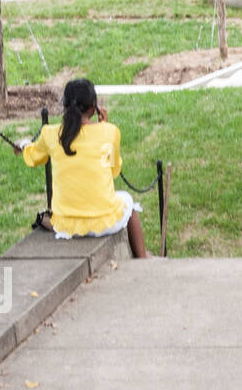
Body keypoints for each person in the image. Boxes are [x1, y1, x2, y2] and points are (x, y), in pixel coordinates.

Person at [16, 79, 150, 258]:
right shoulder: (109, 131)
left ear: (63, 104)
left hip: (66, 225)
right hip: (104, 222)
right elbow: (114, 170)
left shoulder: (50, 134)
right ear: (94, 107)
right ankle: (143, 258)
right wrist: (104, 126)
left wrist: (24, 144)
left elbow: (33, 157)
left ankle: (47, 219)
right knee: (129, 203)